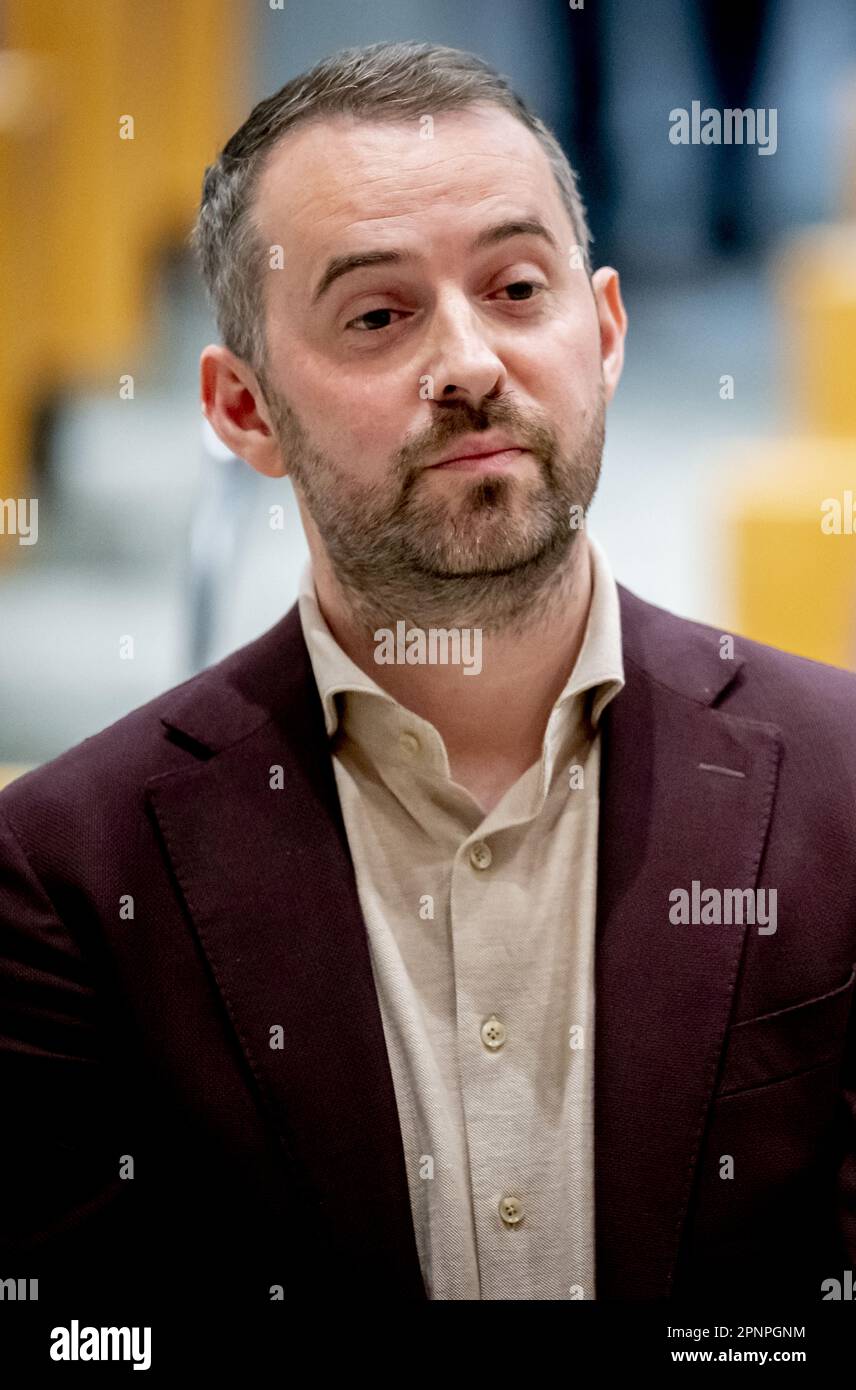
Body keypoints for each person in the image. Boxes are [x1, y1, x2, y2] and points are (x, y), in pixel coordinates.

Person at [1, 40, 855, 1307]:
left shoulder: (843, 779)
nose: (468, 363)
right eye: (378, 315)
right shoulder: (63, 871)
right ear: (242, 412)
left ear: (604, 330)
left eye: (516, 290)